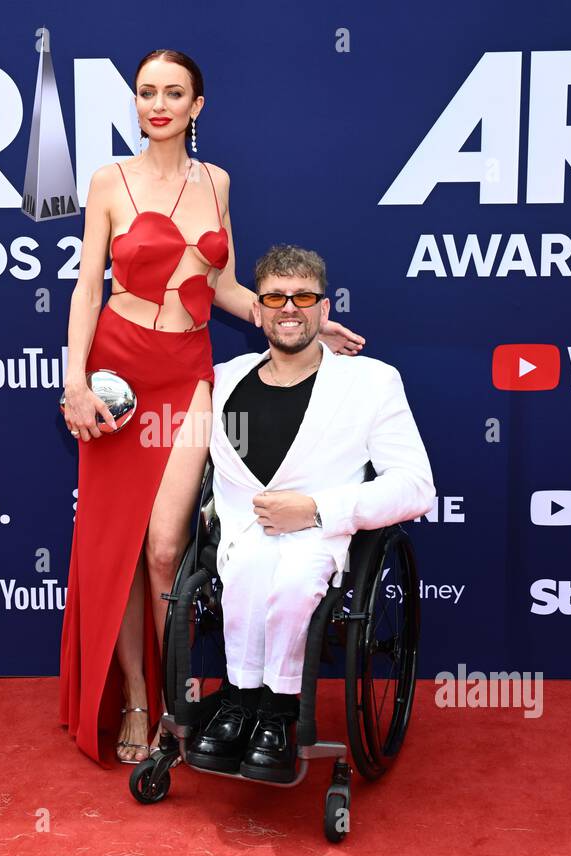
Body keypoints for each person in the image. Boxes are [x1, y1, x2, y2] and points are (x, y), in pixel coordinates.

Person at [57, 50, 366, 766]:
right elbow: (86, 291)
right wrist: (75, 381)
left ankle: (178, 696)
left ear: (198, 106)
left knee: (166, 548)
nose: (157, 104)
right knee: (120, 550)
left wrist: (298, 318)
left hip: (187, 370)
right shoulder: (109, 182)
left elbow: (222, 286)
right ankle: (138, 699)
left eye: (173, 93)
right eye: (145, 92)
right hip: (120, 374)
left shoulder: (216, 182)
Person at [186, 244, 435, 782]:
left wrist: (319, 509)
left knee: (296, 576)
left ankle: (275, 712)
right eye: (274, 297)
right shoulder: (221, 378)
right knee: (251, 566)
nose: (289, 308)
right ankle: (237, 702)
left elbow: (416, 486)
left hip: (317, 538)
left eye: (303, 297)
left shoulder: (371, 381)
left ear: (324, 310)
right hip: (241, 537)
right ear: (257, 311)